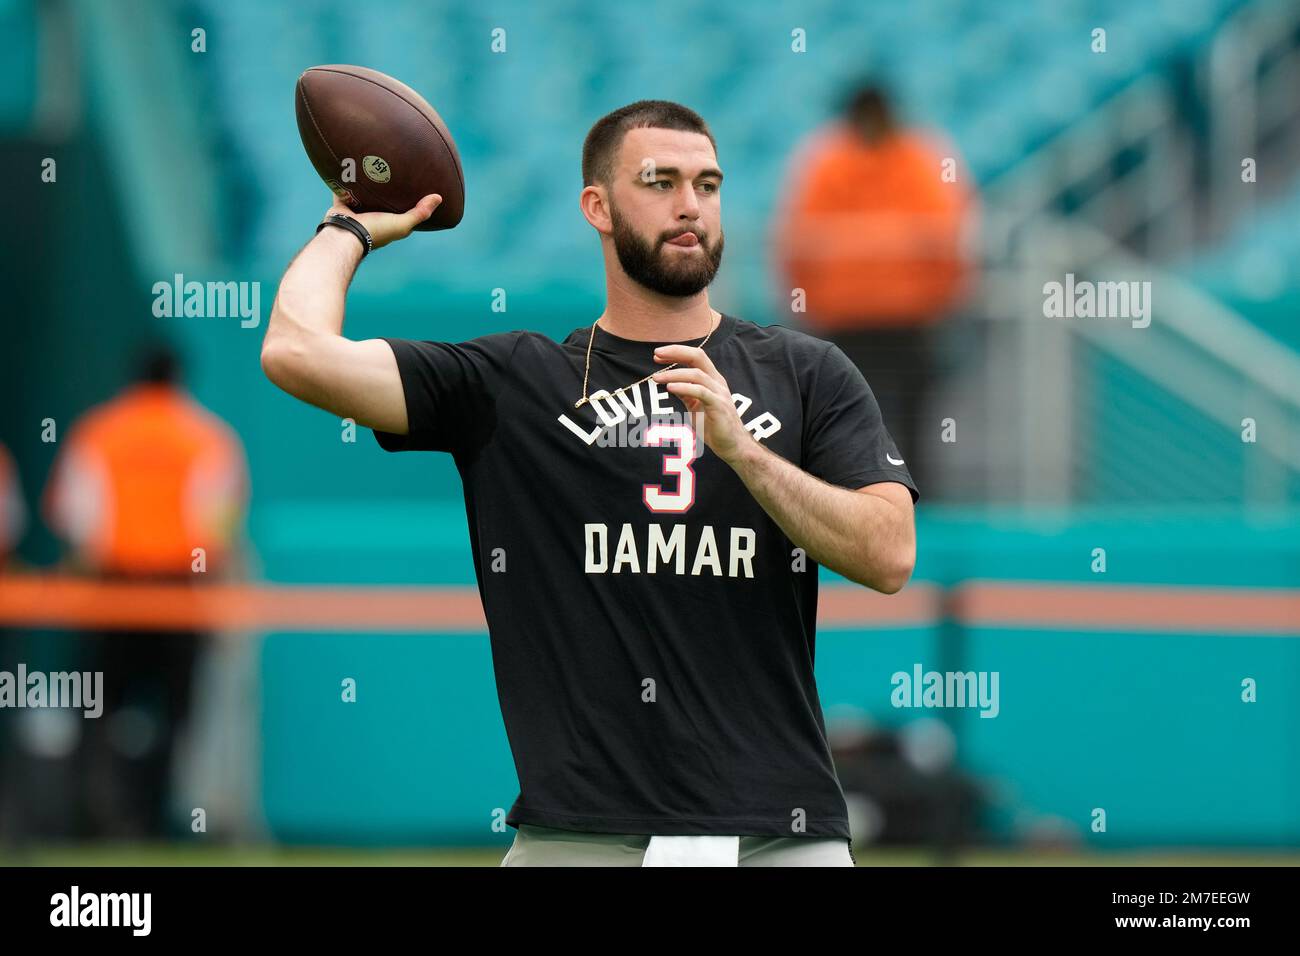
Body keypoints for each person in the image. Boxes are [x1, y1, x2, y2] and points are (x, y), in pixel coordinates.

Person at [262, 100, 918, 867]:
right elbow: (295, 352)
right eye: (659, 182)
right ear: (596, 208)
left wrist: (745, 453)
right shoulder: (518, 382)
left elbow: (889, 553)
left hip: (776, 831)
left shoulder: (806, 373)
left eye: (708, 185)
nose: (689, 206)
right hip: (577, 836)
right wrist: (349, 228)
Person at [43, 345, 248, 838]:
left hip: (111, 595)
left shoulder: (99, 431)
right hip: (179, 598)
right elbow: (218, 528)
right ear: (178, 379)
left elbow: (74, 516)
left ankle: (99, 818)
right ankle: (158, 818)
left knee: (96, 710)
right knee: (178, 716)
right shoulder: (206, 437)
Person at [775, 83, 977, 492]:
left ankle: (899, 514)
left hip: (896, 322)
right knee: (861, 424)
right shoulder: (842, 161)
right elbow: (798, 243)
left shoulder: (834, 160)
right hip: (869, 322)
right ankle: (880, 513)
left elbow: (949, 240)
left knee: (901, 425)